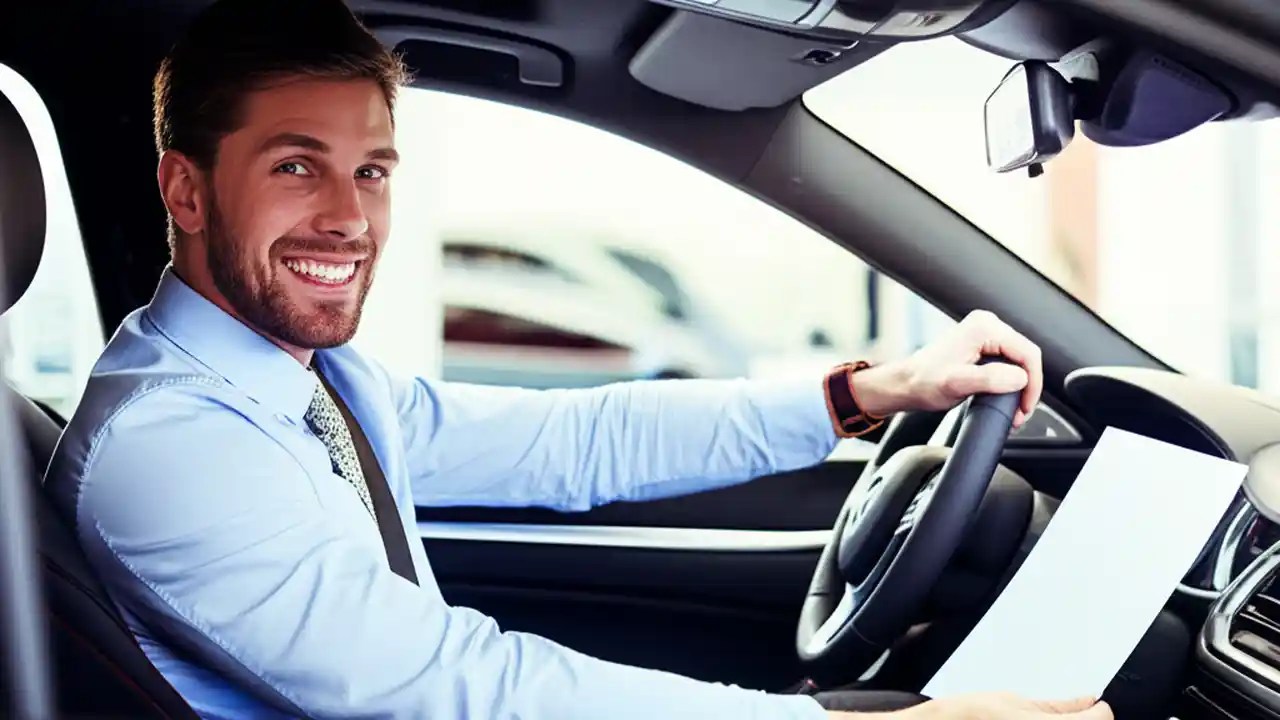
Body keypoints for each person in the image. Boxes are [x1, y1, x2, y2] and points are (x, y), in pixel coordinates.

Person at [42, 1, 1110, 719]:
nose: (347, 218)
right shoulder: (171, 441)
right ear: (184, 191)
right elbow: (453, 687)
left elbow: (569, 441)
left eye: (370, 171)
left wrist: (866, 394)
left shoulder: (301, 381)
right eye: (294, 166)